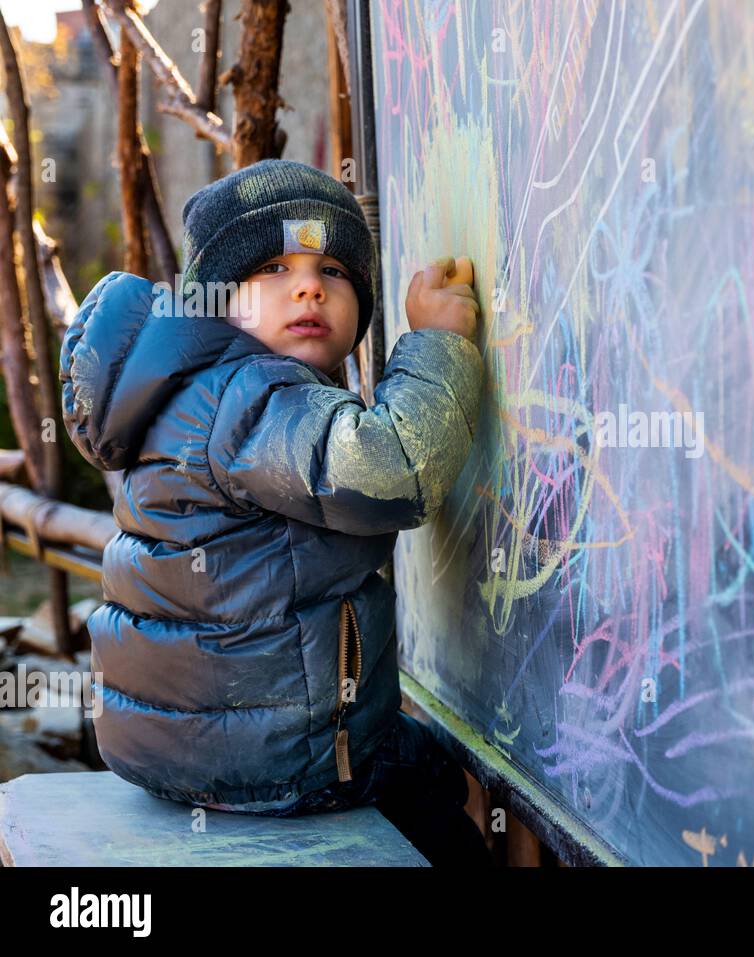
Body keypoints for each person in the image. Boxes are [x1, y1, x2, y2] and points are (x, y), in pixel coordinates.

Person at [60, 158, 489, 866]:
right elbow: (391, 468)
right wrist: (440, 342)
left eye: (335, 270)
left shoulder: (187, 395)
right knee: (448, 820)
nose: (308, 285)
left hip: (182, 746)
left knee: (429, 753)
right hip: (275, 762)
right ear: (214, 304)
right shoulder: (253, 396)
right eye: (271, 267)